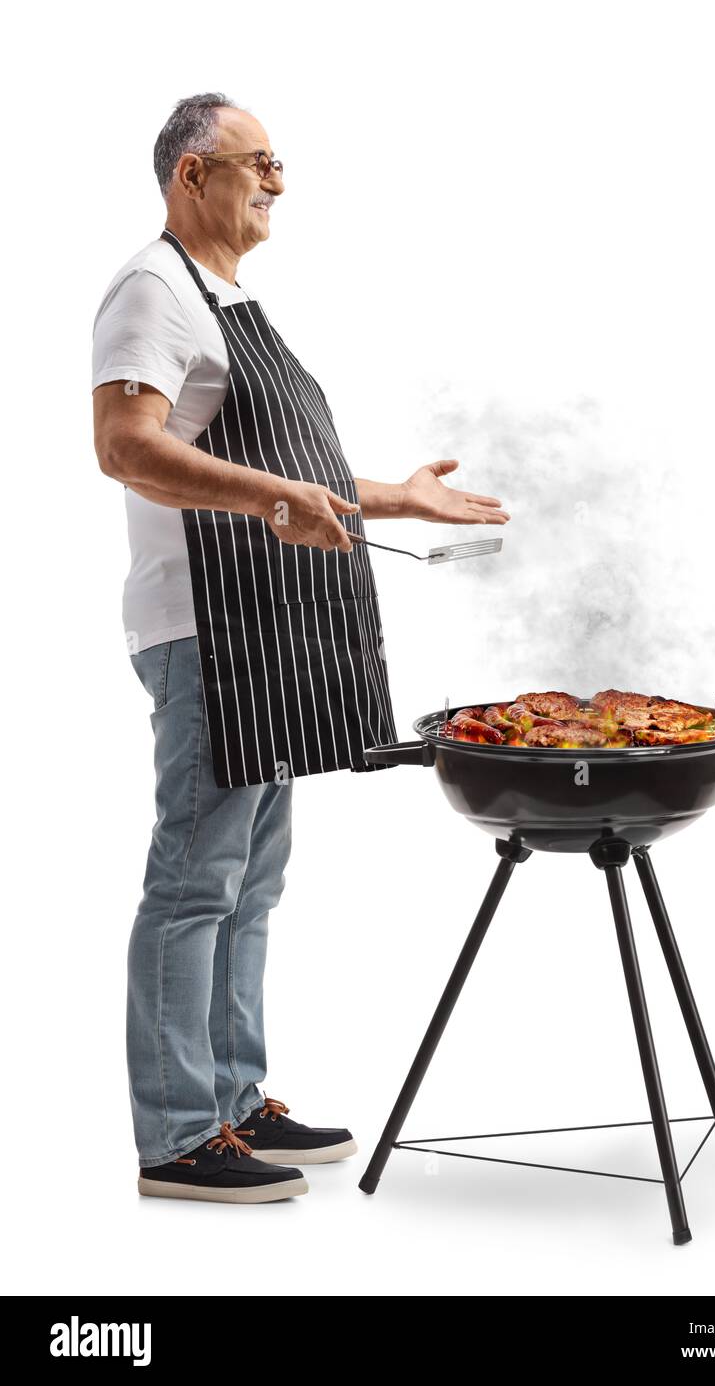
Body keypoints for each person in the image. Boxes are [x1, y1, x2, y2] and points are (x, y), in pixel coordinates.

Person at [92, 92, 509, 1205]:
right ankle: (179, 1134)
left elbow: (288, 475)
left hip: (269, 628)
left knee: (250, 882)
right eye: (258, 161)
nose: (277, 181)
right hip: (205, 633)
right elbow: (124, 446)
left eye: (280, 163)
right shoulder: (151, 289)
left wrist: (398, 500)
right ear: (192, 173)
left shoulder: (228, 300)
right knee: (194, 881)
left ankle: (232, 1101)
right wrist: (274, 498)